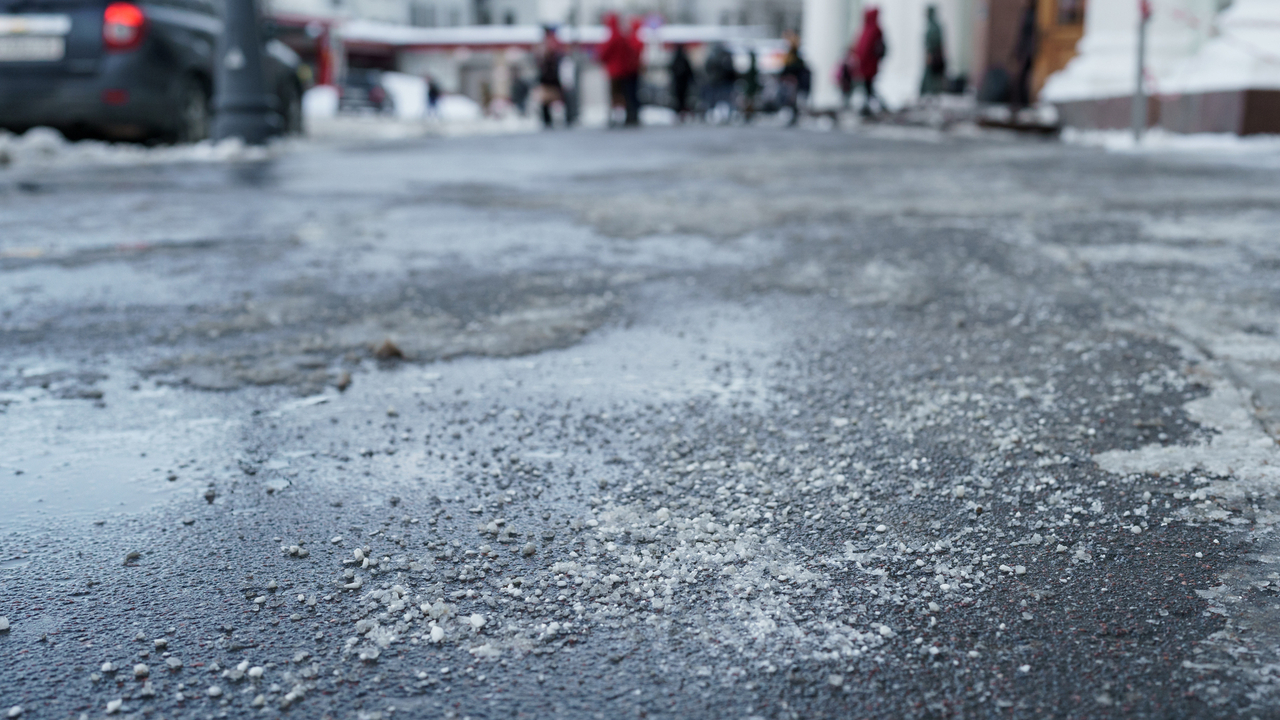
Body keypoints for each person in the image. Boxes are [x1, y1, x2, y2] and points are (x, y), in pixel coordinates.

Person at [599, 13, 642, 126]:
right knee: (626, 95)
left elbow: (604, 54)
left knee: (614, 96)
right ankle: (629, 116)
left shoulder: (612, 38)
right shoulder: (624, 38)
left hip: (614, 72)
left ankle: (614, 117)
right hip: (625, 71)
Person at [853, 7, 886, 117]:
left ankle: (874, 106)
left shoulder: (873, 29)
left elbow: (865, 47)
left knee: (868, 86)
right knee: (868, 87)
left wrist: (860, 58)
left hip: (868, 63)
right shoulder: (870, 28)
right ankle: (871, 106)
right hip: (867, 63)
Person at [779, 32, 809, 126]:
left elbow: (788, 69)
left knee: (790, 101)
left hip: (791, 82)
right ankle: (792, 117)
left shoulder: (792, 56)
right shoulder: (794, 57)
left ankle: (792, 117)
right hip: (792, 82)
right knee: (791, 101)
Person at [1011, 0, 1037, 111]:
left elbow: (1027, 34)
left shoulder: (1034, 14)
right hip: (1025, 49)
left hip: (1028, 50)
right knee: (1021, 77)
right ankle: (1021, 103)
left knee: (1022, 77)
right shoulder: (1028, 12)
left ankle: (1023, 103)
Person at [537, 27, 564, 128]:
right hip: (552, 79)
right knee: (551, 101)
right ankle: (550, 120)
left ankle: (548, 120)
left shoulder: (547, 44)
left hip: (549, 79)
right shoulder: (554, 43)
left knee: (548, 101)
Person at [704, 42, 737, 123]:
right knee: (721, 99)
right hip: (719, 82)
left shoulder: (718, 58)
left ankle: (722, 115)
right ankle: (718, 115)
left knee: (722, 99)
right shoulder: (722, 58)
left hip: (722, 82)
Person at [920, 5, 947, 97]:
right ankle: (928, 94)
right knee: (930, 76)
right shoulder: (932, 26)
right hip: (933, 55)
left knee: (933, 77)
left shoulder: (934, 27)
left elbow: (936, 43)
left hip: (934, 56)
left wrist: (931, 55)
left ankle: (932, 94)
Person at [669, 43, 695, 121]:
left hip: (679, 83)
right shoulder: (683, 58)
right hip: (683, 83)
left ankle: (679, 112)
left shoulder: (676, 58)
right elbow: (690, 71)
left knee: (679, 98)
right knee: (682, 98)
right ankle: (681, 112)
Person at [741, 50, 761, 122]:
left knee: (749, 101)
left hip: (751, 86)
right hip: (751, 86)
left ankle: (748, 114)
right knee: (750, 101)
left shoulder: (752, 67)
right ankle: (748, 114)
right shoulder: (753, 67)